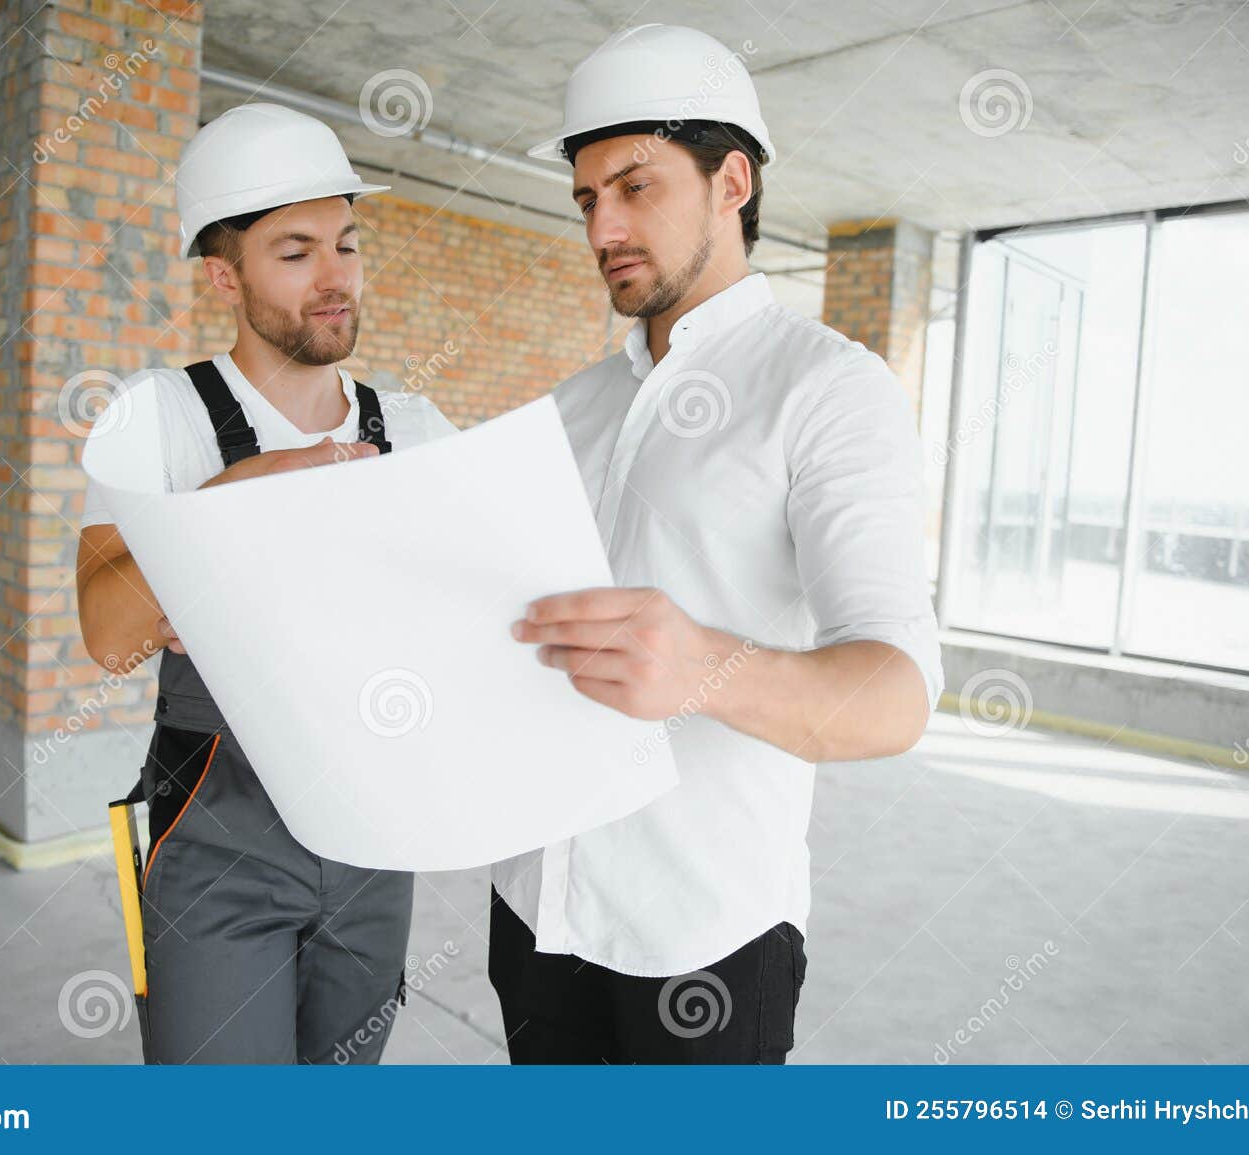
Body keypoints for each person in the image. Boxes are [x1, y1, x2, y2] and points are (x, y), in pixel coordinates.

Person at [491, 24, 944, 1064]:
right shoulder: (572, 409)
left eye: (635, 186)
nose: (602, 224)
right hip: (532, 916)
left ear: (731, 179)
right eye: (585, 197)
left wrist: (704, 669)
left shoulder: (830, 390)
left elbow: (896, 691)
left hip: (703, 943)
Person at [76, 104, 457, 1064]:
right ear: (224, 274)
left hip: (376, 834)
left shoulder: (416, 429)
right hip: (216, 838)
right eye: (295, 253)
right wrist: (231, 500)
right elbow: (109, 636)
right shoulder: (155, 418)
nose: (336, 279)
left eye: (346, 244)